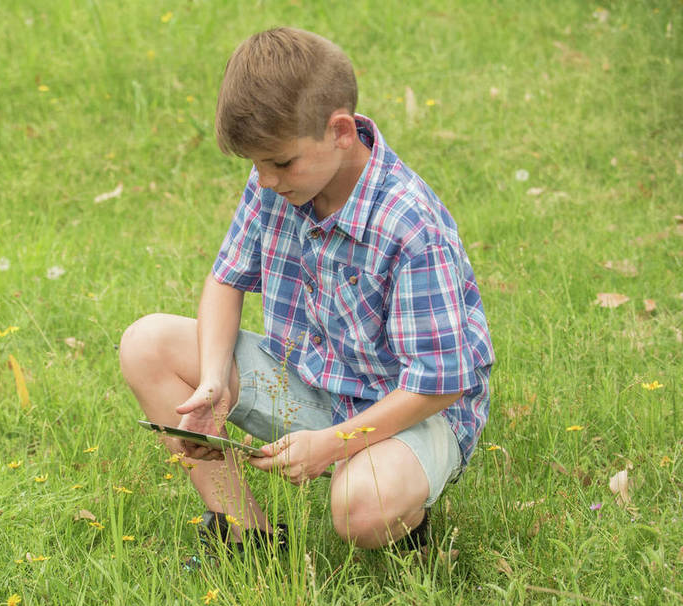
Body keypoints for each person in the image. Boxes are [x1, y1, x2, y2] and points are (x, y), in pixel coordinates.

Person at [119, 27, 494, 550]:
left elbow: (441, 382)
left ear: (340, 131)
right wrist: (212, 382)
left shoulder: (409, 223)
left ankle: (401, 506)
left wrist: (334, 445)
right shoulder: (281, 183)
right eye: (256, 164)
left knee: (361, 508)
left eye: (279, 163)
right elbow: (225, 280)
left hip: (412, 410)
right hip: (312, 382)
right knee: (146, 343)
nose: (265, 180)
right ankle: (246, 535)